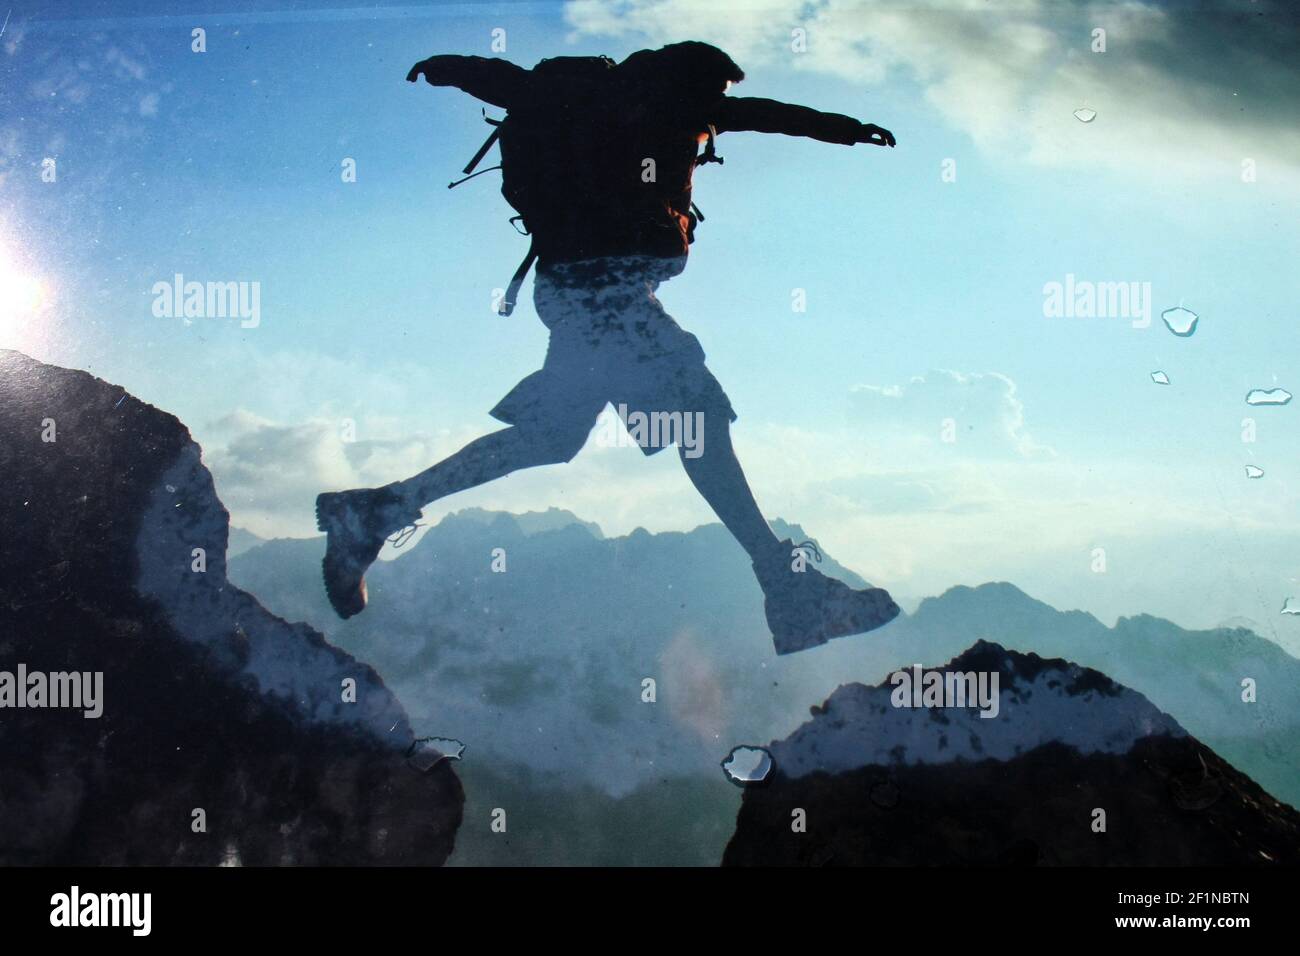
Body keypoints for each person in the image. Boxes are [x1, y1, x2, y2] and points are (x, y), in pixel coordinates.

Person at [316, 41, 900, 654]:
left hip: (568, 291)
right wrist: (846, 129)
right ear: (693, 81)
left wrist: (447, 68)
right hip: (612, 295)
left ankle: (375, 512)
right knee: (698, 418)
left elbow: (505, 82)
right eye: (716, 92)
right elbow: (767, 114)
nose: (720, 106)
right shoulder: (678, 105)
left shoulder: (579, 99)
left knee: (552, 437)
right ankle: (790, 590)